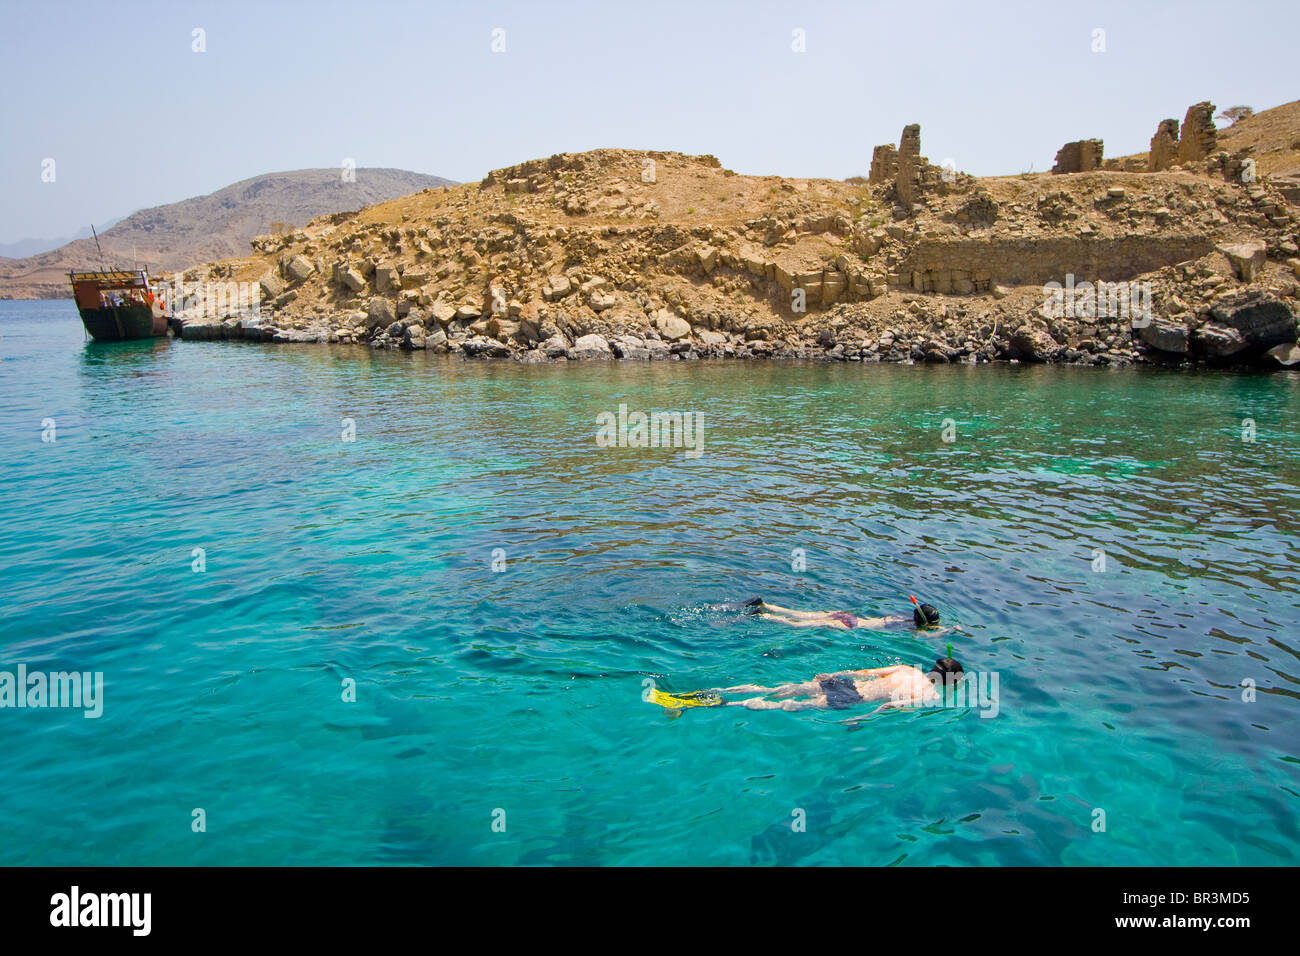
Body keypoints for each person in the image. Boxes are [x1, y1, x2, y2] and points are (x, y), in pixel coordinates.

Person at [649, 657, 965, 716]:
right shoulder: (928, 694)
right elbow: (888, 706)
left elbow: (865, 669)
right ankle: (708, 705)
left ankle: (712, 692)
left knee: (773, 687)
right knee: (781, 705)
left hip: (845, 682)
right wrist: (861, 720)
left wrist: (830, 673)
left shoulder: (907, 667)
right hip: (853, 699)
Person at [739, 594, 955, 633]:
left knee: (804, 614)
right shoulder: (911, 628)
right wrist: (947, 631)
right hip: (850, 625)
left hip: (848, 615)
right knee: (798, 625)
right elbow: (928, 634)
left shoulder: (902, 617)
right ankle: (764, 615)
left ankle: (767, 604)